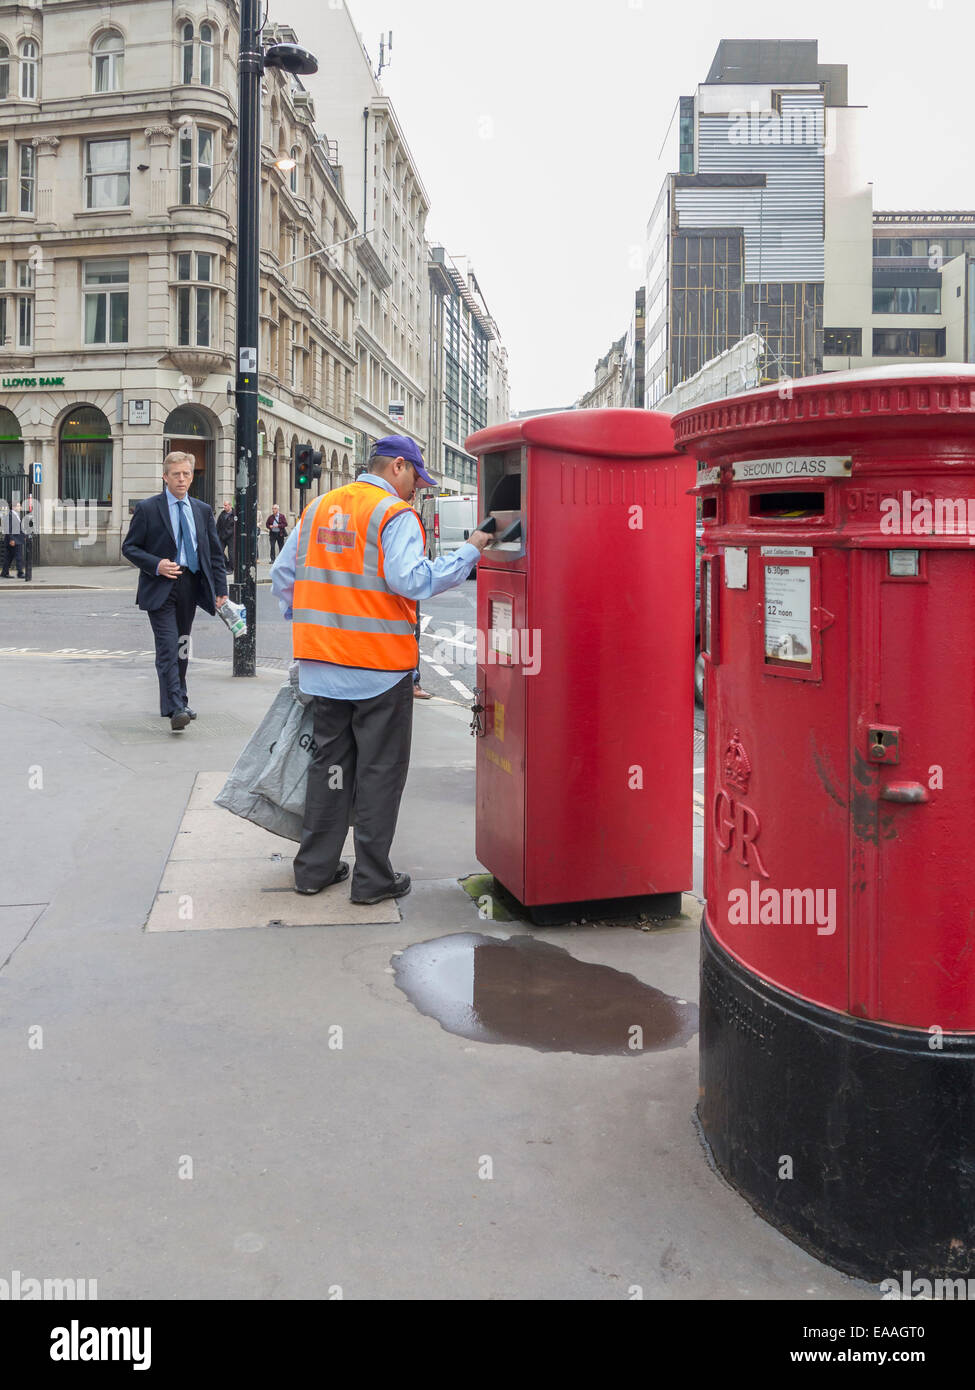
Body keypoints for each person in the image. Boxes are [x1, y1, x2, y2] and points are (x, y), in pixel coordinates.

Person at [271, 434, 494, 904]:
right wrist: (470, 551)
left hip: (321, 668)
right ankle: (372, 879)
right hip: (378, 672)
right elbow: (409, 579)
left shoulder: (317, 508)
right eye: (415, 476)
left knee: (329, 768)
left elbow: (283, 576)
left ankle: (313, 870)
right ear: (397, 467)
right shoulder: (393, 514)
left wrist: (318, 623)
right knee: (378, 773)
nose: (417, 488)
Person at [122, 452, 229, 731]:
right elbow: (130, 547)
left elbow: (214, 555)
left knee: (182, 645)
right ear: (165, 477)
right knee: (168, 646)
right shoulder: (148, 508)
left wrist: (221, 589)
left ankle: (179, 699)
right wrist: (156, 564)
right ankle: (176, 707)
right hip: (160, 585)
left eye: (186, 474)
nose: (181, 479)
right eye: (176, 474)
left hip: (190, 585)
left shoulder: (202, 510)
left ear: (192, 476)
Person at [1, 501, 25, 578]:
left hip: (16, 539)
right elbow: (8, 528)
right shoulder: (10, 516)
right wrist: (12, 539)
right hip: (14, 540)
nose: (20, 507)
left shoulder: (16, 515)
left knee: (8, 557)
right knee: (19, 557)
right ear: (14, 507)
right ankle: (20, 573)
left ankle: (4, 573)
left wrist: (23, 536)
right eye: (18, 506)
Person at [216, 500, 237, 569]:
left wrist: (227, 533)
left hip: (231, 537)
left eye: (225, 505)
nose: (224, 507)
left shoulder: (235, 515)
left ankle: (232, 568)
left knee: (231, 553)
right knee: (219, 551)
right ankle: (226, 564)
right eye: (224, 505)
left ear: (230, 506)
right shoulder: (222, 514)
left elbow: (234, 526)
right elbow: (218, 525)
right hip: (222, 536)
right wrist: (217, 534)